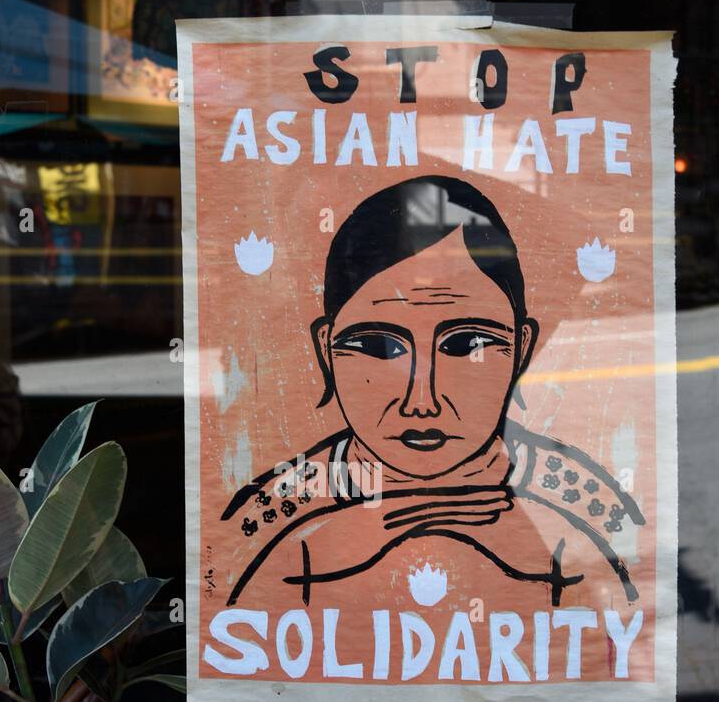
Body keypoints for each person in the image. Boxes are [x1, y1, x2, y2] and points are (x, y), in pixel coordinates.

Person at [221, 175, 643, 649]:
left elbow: (627, 631)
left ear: (523, 348)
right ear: (325, 350)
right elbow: (221, 608)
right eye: (379, 346)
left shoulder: (582, 507)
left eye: (467, 344)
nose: (422, 401)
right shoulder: (273, 516)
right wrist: (333, 545)